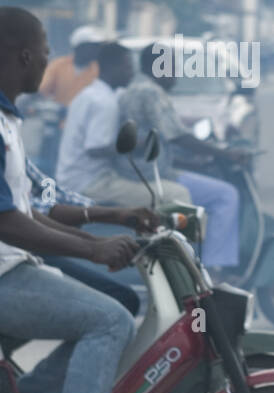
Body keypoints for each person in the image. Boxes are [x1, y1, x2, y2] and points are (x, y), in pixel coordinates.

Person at [0, 7, 146, 393]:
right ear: (23, 55)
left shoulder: (9, 120)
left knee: (109, 310)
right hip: (5, 272)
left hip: (14, 265)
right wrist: (92, 248)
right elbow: (8, 224)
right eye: (43, 50)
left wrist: (111, 221)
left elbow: (31, 210)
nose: (50, 60)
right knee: (109, 319)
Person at [121, 45, 246, 269]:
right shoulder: (150, 91)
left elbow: (158, 142)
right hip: (152, 175)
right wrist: (225, 154)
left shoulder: (134, 87)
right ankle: (213, 269)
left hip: (143, 168)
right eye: (172, 67)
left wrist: (193, 162)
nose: (176, 74)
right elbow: (177, 136)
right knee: (226, 196)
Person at [56, 42, 190, 208]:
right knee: (177, 193)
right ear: (111, 68)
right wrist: (138, 144)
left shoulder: (92, 93)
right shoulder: (104, 102)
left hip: (72, 177)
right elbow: (96, 149)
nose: (132, 74)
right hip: (91, 183)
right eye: (127, 68)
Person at [25, 156, 153, 316]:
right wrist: (94, 244)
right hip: (14, 254)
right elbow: (28, 213)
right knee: (119, 304)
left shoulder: (11, 136)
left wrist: (112, 213)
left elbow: (47, 192)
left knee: (119, 300)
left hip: (25, 249)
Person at [38, 25, 104, 106]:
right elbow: (42, 90)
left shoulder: (98, 70)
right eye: (93, 46)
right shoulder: (59, 65)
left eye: (97, 47)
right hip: (58, 116)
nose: (97, 50)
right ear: (79, 47)